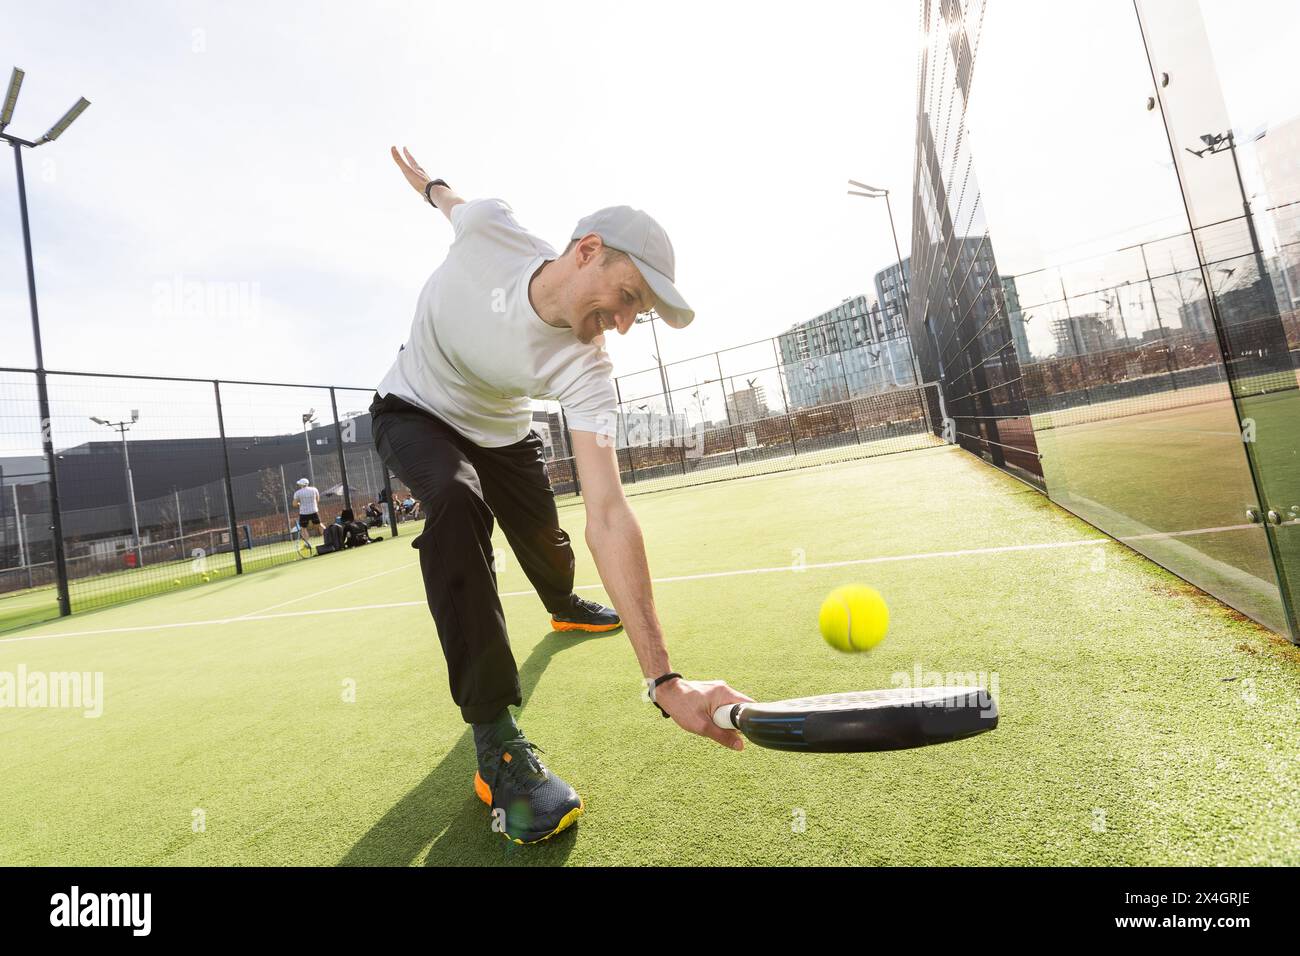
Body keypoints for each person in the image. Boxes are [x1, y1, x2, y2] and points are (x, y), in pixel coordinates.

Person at [370, 146, 751, 845]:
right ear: (588, 251)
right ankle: (497, 741)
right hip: (415, 406)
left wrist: (665, 681)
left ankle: (562, 603)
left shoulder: (588, 369)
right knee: (457, 505)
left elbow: (607, 511)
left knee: (550, 543)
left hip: (503, 432)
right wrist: (427, 183)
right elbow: (451, 200)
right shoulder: (492, 229)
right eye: (630, 297)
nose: (627, 322)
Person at [292, 478, 322, 551]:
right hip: (314, 511)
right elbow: (318, 500)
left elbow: (294, 504)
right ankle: (329, 539)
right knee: (319, 525)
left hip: (304, 513)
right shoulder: (314, 489)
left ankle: (307, 544)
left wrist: (300, 504)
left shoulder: (298, 493)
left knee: (303, 528)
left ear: (301, 485)